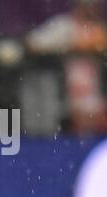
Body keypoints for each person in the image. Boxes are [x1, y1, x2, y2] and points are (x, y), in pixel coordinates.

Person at [28, 0, 107, 134]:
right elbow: (32, 45)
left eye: (94, 6)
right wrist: (66, 49)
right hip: (65, 97)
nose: (91, 10)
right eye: (87, 6)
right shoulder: (63, 26)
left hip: (96, 98)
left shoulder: (101, 29)